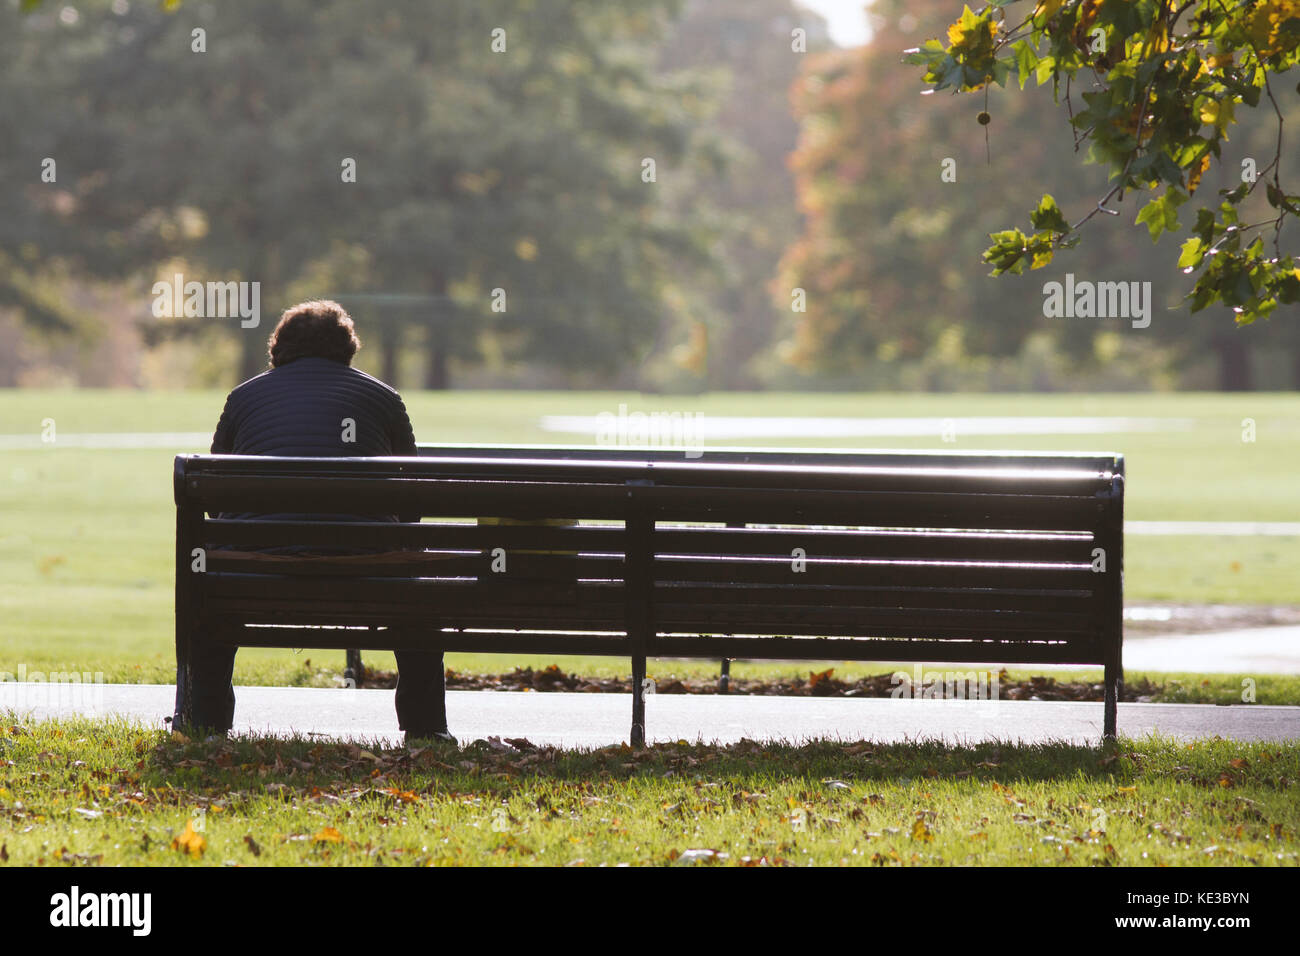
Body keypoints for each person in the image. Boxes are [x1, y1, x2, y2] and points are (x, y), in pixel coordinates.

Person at [180, 299, 452, 745]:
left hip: (254, 572)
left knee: (210, 591)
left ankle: (205, 723)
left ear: (279, 348)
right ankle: (426, 728)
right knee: (415, 591)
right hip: (370, 572)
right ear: (347, 348)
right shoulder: (384, 399)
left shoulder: (244, 398)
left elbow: (215, 498)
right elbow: (410, 506)